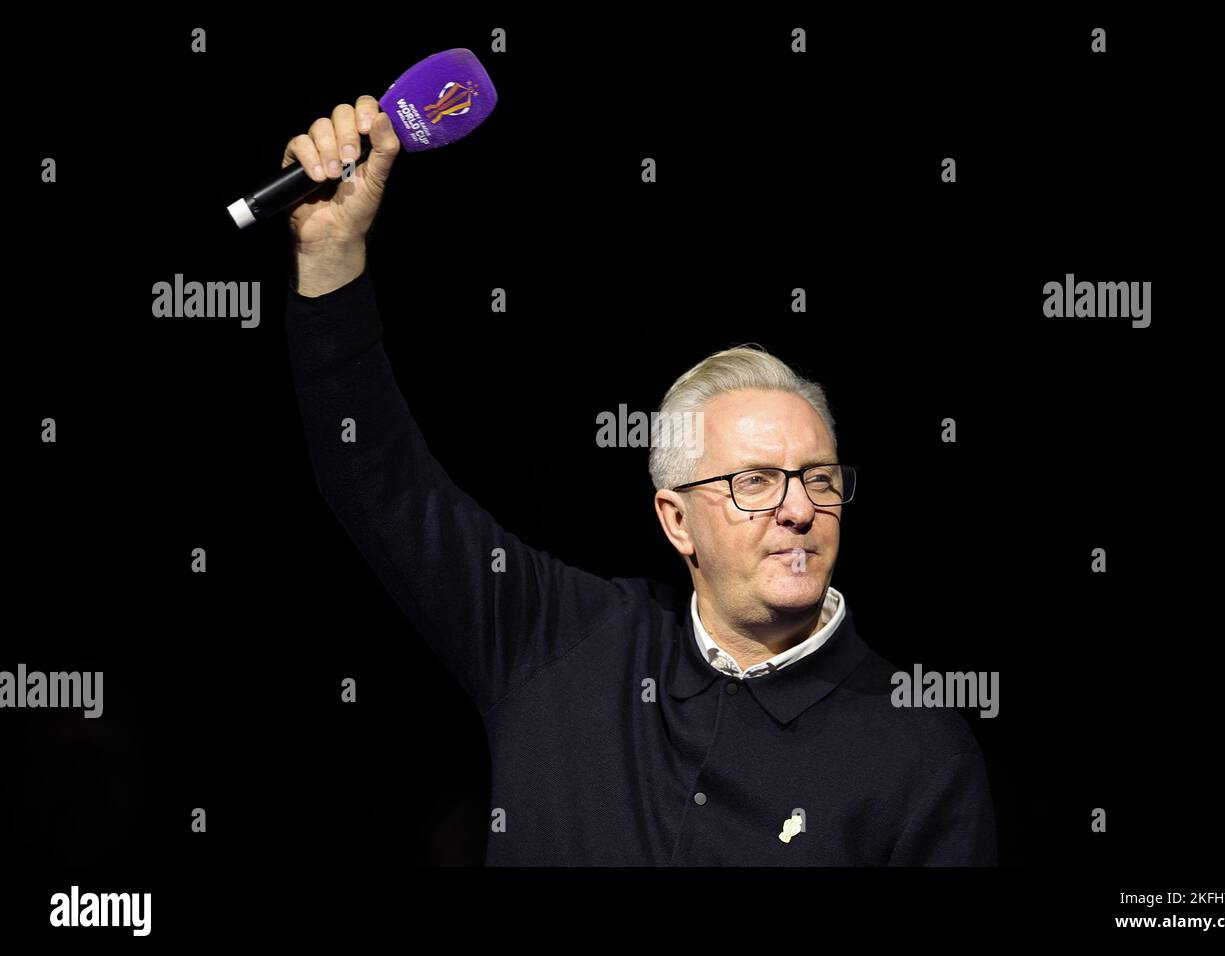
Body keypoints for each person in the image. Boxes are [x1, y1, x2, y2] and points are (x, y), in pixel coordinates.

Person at [282, 96, 997, 865]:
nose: (798, 509)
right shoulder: (556, 640)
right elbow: (384, 490)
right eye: (754, 482)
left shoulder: (919, 751)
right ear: (675, 519)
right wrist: (331, 257)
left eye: (818, 478)